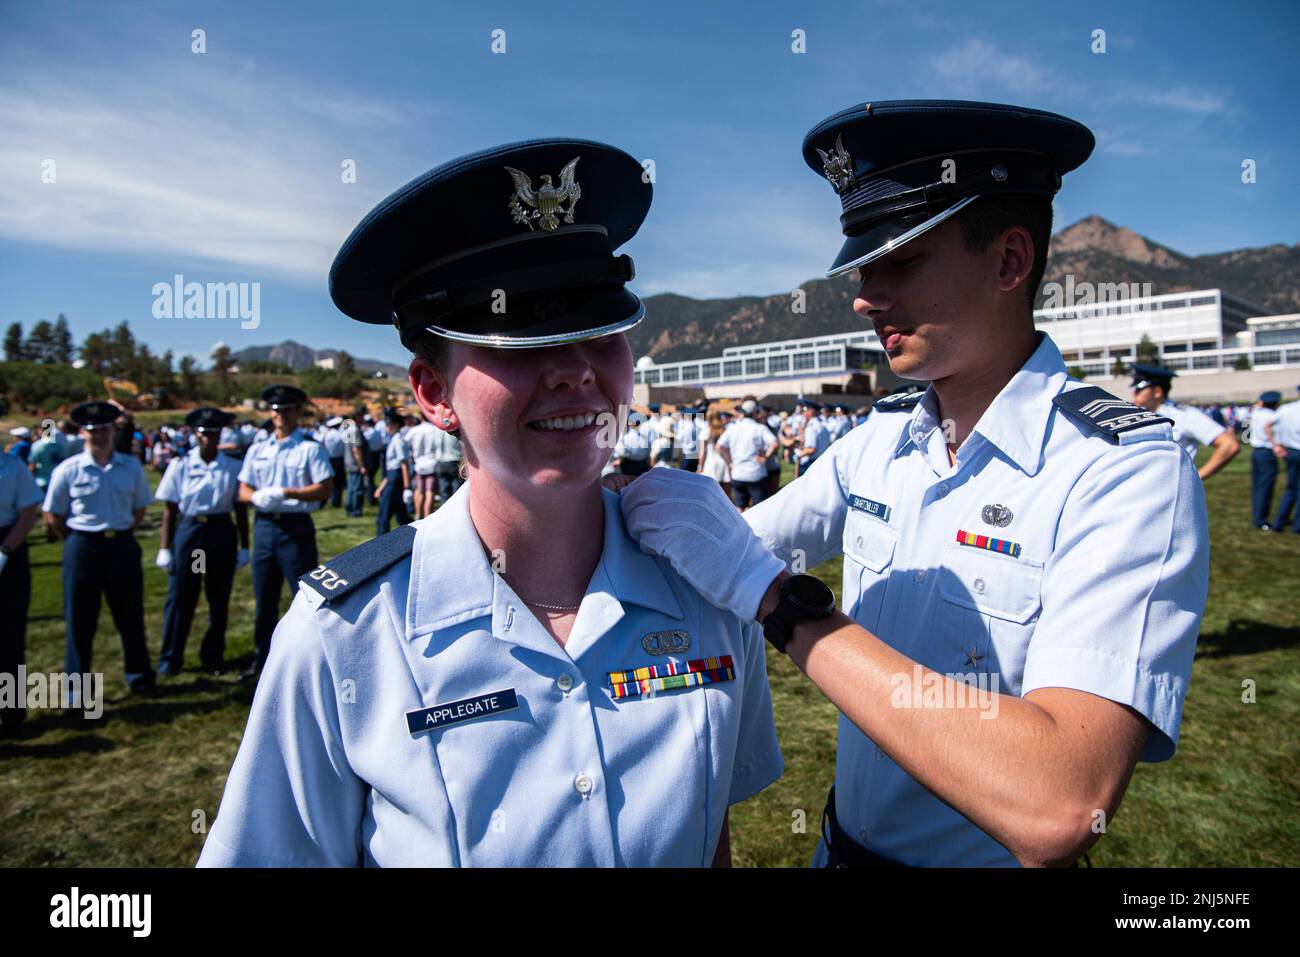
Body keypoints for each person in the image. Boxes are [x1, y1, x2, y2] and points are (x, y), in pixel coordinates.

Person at [623, 100, 1210, 868]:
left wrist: (783, 607)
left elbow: (1062, 797)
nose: (866, 296)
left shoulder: (1119, 470)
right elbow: (745, 541)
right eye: (864, 268)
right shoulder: (883, 439)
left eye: (899, 262)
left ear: (1008, 262)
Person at [198, 138, 782, 868]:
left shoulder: (706, 588)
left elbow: (710, 839)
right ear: (433, 393)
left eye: (598, 330)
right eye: (521, 340)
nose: (574, 370)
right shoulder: (344, 639)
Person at [42, 400, 158, 701]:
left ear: (113, 430)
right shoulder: (68, 470)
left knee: (130, 615)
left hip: (120, 544)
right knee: (80, 621)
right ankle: (76, 692)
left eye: (106, 429)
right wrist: (78, 538)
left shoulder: (130, 466)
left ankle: (140, 677)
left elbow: (139, 508)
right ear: (83, 433)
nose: (102, 436)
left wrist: (119, 534)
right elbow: (53, 515)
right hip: (83, 546)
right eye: (94, 430)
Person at [238, 385, 333, 681]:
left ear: (297, 412)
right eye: (277, 410)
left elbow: (324, 488)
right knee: (263, 596)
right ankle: (262, 658)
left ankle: (310, 663)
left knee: (304, 597)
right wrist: (255, 498)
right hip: (265, 526)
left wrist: (286, 492)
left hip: (295, 528)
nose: (282, 415)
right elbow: (243, 488)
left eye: (288, 410)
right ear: (270, 413)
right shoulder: (258, 448)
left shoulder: (309, 447)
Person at [154, 408, 250, 676]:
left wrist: (244, 546)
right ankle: (171, 658)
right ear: (195, 435)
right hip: (193, 535)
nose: (209, 438)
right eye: (204, 433)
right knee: (183, 594)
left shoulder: (232, 466)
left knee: (218, 597)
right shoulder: (181, 465)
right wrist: (165, 547)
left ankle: (213, 655)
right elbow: (170, 510)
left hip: (220, 532)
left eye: (214, 433)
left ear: (221, 435)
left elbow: (239, 509)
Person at [1128, 364, 1239, 480]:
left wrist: (1196, 478)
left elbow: (1229, 445)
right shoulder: (1141, 416)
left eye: (1139, 390)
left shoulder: (1184, 416)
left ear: (1157, 392)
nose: (1134, 394)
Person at [0, 448, 42, 735]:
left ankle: (12, 712)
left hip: (8, 546)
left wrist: (4, 551)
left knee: (10, 638)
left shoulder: (13, 467)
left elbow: (28, 512)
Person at [717, 399, 779, 510]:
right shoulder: (759, 428)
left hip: (738, 473)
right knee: (759, 509)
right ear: (755, 412)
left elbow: (719, 447)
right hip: (756, 473)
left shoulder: (733, 428)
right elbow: (774, 443)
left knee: (740, 508)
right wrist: (765, 457)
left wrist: (730, 463)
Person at [373, 407, 412, 534]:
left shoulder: (399, 441)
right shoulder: (394, 440)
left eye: (388, 424)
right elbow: (390, 468)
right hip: (392, 477)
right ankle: (411, 535)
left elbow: (404, 465)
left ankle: (380, 543)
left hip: (396, 479)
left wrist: (407, 487)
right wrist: (380, 488)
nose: (386, 428)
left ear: (395, 425)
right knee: (400, 515)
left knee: (384, 515)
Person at [1247, 391, 1282, 530]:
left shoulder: (1256, 412)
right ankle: (1261, 520)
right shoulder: (1273, 416)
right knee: (1265, 487)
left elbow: (1257, 405)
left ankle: (1257, 516)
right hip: (1267, 452)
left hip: (1256, 452)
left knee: (1257, 486)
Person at [1269, 386, 1300, 533]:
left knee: (1291, 488)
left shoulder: (1286, 408)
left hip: (1291, 452)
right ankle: (1297, 526)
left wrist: (1276, 445)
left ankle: (1280, 522)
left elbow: (1267, 425)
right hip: (1295, 449)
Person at [342, 410, 368, 517]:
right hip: (355, 464)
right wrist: (361, 465)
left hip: (349, 462)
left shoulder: (348, 429)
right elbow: (356, 449)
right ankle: (355, 510)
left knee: (351, 488)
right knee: (357, 489)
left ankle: (349, 508)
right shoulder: (355, 430)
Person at [320, 416, 347, 508]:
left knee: (326, 480)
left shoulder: (326, 434)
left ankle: (322, 502)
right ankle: (336, 502)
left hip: (327, 459)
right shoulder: (340, 434)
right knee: (338, 483)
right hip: (338, 460)